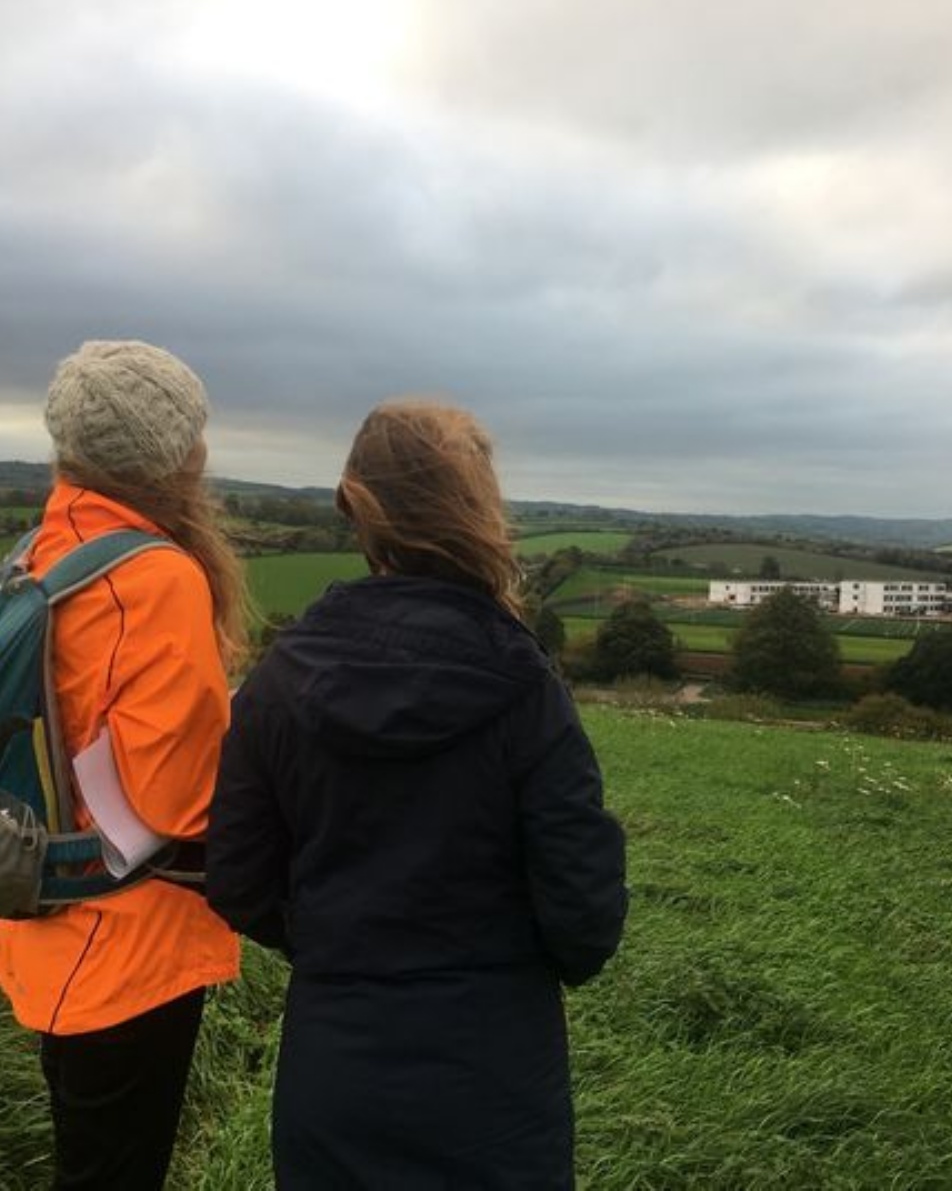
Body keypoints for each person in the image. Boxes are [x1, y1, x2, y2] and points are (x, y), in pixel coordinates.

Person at [206, 400, 627, 1189]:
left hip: (335, 1071)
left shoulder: (278, 681)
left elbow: (234, 878)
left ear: (355, 508)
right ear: (481, 510)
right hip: (494, 1083)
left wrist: (333, 943)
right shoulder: (526, 688)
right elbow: (586, 921)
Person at [0, 340, 246, 1190]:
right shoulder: (157, 580)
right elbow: (176, 805)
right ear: (178, 458)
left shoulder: (37, 555)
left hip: (43, 923)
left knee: (88, 1153)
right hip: (126, 950)